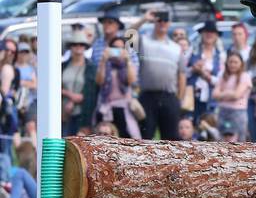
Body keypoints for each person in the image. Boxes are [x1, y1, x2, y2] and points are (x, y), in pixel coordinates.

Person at [136, 9, 186, 141]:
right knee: (145, 136)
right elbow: (128, 35)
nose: (162, 23)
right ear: (154, 22)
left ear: (169, 23)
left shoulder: (175, 47)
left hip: (169, 96)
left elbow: (181, 75)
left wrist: (178, 100)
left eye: (165, 20)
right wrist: (144, 19)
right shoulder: (144, 41)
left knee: (171, 139)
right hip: (147, 96)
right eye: (159, 20)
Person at [94, 33, 141, 138]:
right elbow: (99, 81)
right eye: (114, 47)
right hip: (106, 108)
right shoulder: (105, 64)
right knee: (103, 138)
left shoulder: (128, 64)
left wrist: (128, 60)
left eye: (121, 48)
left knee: (127, 138)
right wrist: (103, 60)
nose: (118, 50)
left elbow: (131, 80)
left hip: (124, 110)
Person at [188, 21, 225, 124]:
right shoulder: (192, 51)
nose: (209, 35)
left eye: (212, 32)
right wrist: (193, 69)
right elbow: (183, 72)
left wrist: (205, 75)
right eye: (206, 32)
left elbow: (222, 80)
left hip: (211, 99)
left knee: (209, 128)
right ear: (202, 34)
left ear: (216, 36)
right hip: (192, 97)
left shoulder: (221, 56)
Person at [213, 50, 253, 141]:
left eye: (235, 62)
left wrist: (222, 94)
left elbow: (236, 95)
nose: (232, 64)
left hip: (238, 112)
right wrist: (229, 93)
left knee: (239, 138)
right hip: (223, 111)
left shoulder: (245, 76)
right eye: (230, 62)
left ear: (241, 64)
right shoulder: (223, 76)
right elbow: (214, 94)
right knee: (221, 138)